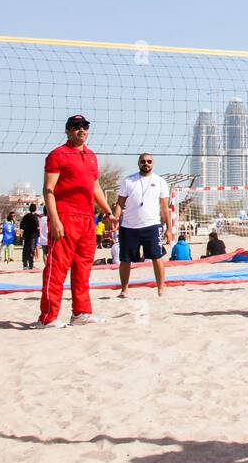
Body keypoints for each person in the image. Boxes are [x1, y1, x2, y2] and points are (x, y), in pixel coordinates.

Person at [34, 114, 114, 327]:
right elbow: (48, 189)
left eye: (85, 126)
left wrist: (108, 212)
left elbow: (95, 187)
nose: (82, 130)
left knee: (83, 268)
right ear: (68, 130)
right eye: (76, 126)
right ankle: (48, 317)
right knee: (57, 268)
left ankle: (81, 313)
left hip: (88, 218)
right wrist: (55, 219)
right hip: (65, 216)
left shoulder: (91, 156)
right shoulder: (57, 155)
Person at [114, 152, 172, 298]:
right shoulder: (128, 180)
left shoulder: (160, 181)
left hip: (152, 225)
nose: (146, 163)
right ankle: (124, 289)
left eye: (149, 161)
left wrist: (169, 229)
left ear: (153, 164)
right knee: (125, 259)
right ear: (138, 163)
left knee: (156, 257)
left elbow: (165, 208)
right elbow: (120, 203)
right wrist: (115, 218)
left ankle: (161, 288)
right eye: (143, 161)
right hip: (129, 226)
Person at [19, 204, 40, 271]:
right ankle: (31, 265)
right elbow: (37, 226)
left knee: (25, 249)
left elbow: (21, 226)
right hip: (33, 235)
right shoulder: (35, 217)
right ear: (35, 209)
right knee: (31, 249)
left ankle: (25, 264)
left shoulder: (25, 216)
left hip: (26, 234)